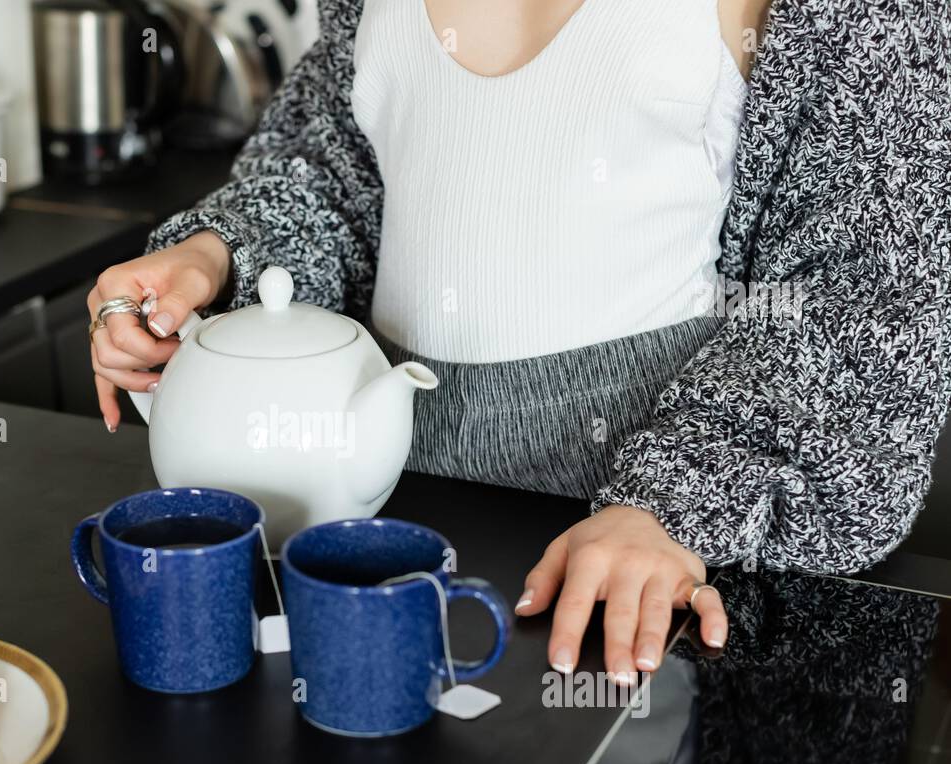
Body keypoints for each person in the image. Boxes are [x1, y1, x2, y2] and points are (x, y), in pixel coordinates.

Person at [86, 0, 950, 682]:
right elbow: (340, 163)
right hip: (372, 537)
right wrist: (217, 254)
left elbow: (863, 295)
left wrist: (675, 506)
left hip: (631, 566)